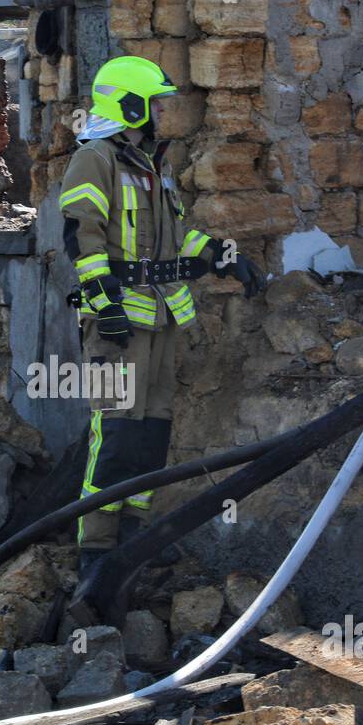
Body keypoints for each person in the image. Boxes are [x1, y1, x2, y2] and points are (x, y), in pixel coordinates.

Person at [58, 55, 266, 577]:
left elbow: (177, 241)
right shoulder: (94, 160)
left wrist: (224, 256)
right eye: (151, 104)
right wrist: (103, 307)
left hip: (157, 318)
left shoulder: (152, 167)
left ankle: (135, 537)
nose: (158, 115)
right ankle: (97, 551)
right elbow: (80, 240)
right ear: (127, 106)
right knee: (115, 432)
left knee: (151, 433)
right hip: (115, 322)